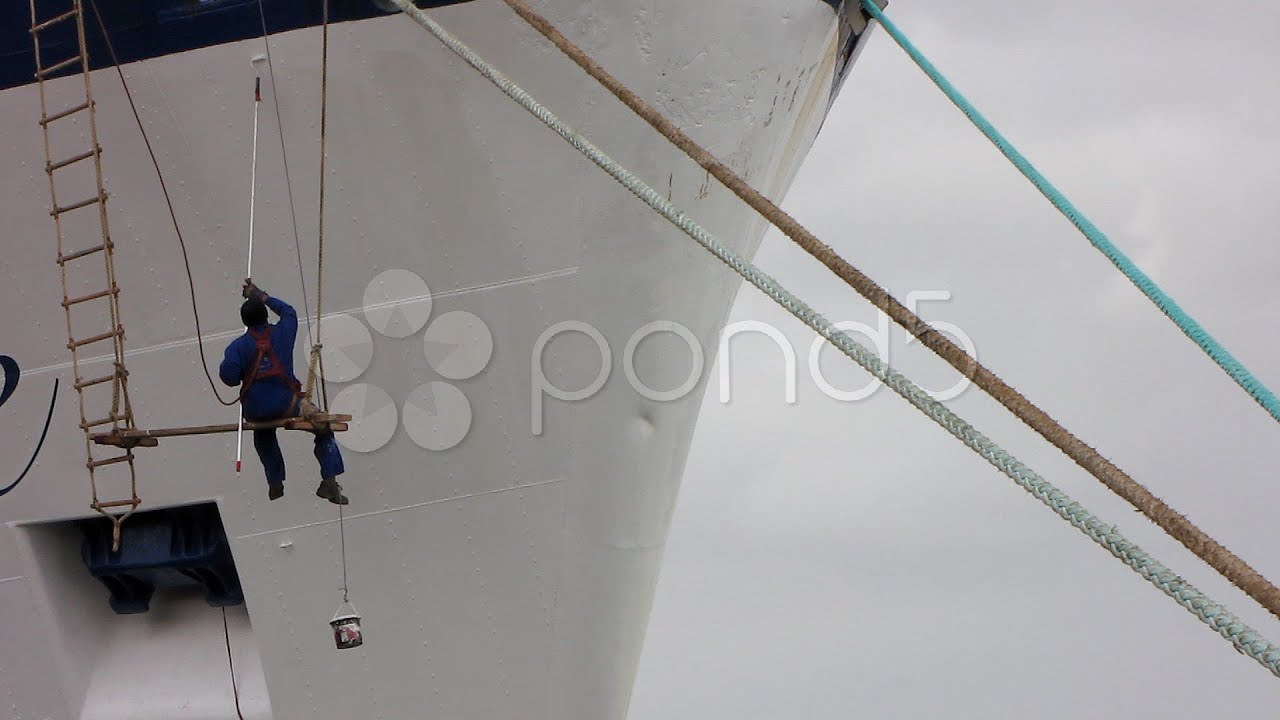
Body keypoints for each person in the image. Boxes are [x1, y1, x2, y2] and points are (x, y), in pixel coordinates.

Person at [219, 279, 348, 504]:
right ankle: (329, 481)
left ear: (244, 322)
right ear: (266, 316)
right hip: (286, 403)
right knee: (323, 428)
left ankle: (275, 482)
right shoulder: (284, 332)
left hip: (256, 409)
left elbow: (228, 378)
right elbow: (288, 311)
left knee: (263, 433)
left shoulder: (237, 347)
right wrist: (262, 295)